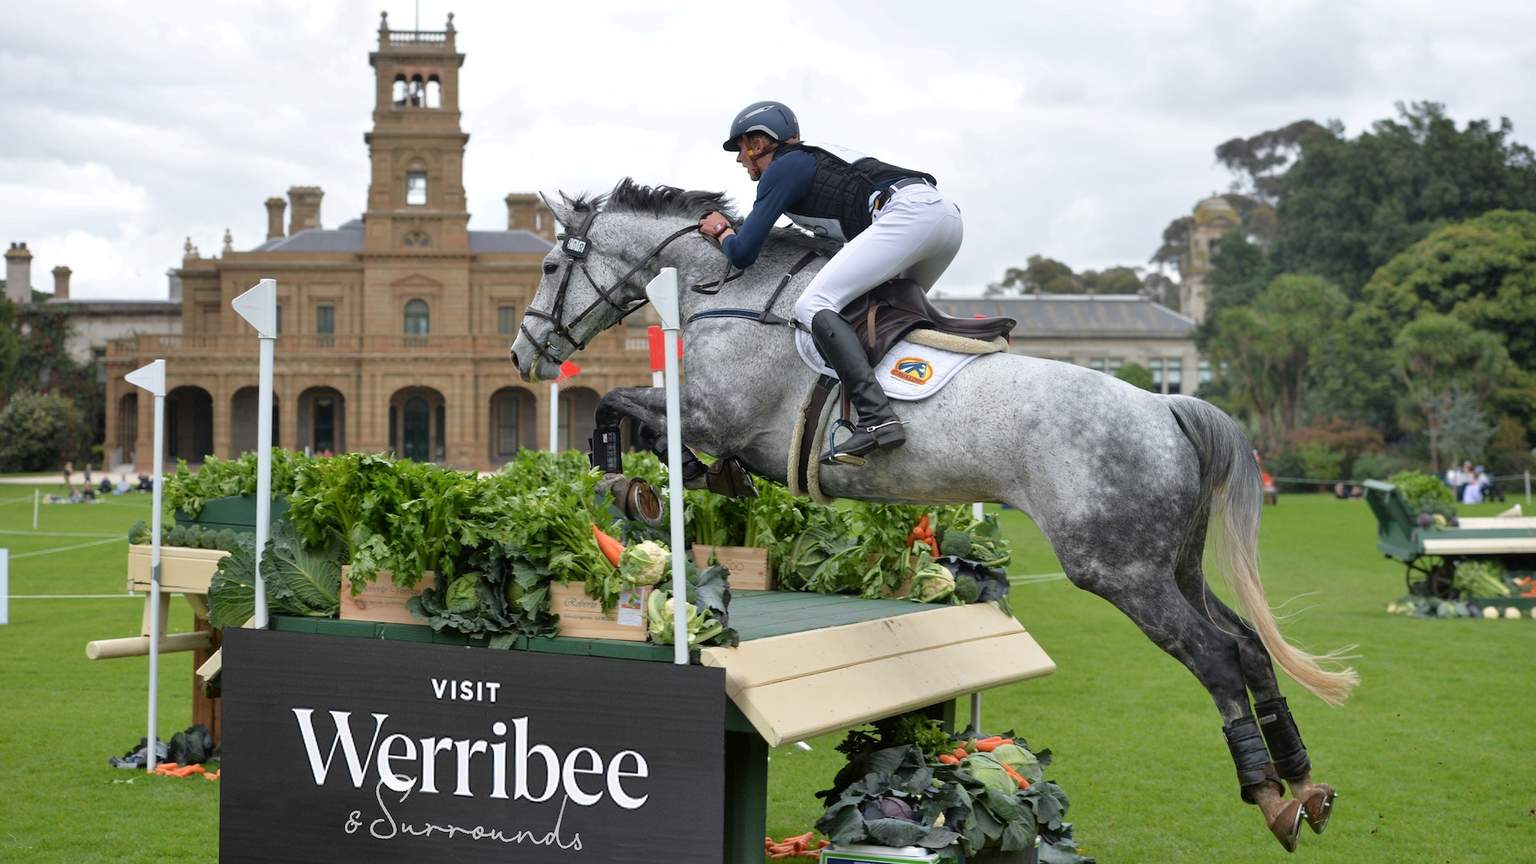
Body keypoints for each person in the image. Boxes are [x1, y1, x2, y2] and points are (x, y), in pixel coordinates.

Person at [698, 101, 963, 465]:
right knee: (888, 315)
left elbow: (743, 253)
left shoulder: (784, 167)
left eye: (742, 148)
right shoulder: (806, 162)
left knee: (812, 305)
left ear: (759, 142)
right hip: (942, 218)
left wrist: (723, 231)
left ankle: (876, 418)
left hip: (909, 216)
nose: (740, 159)